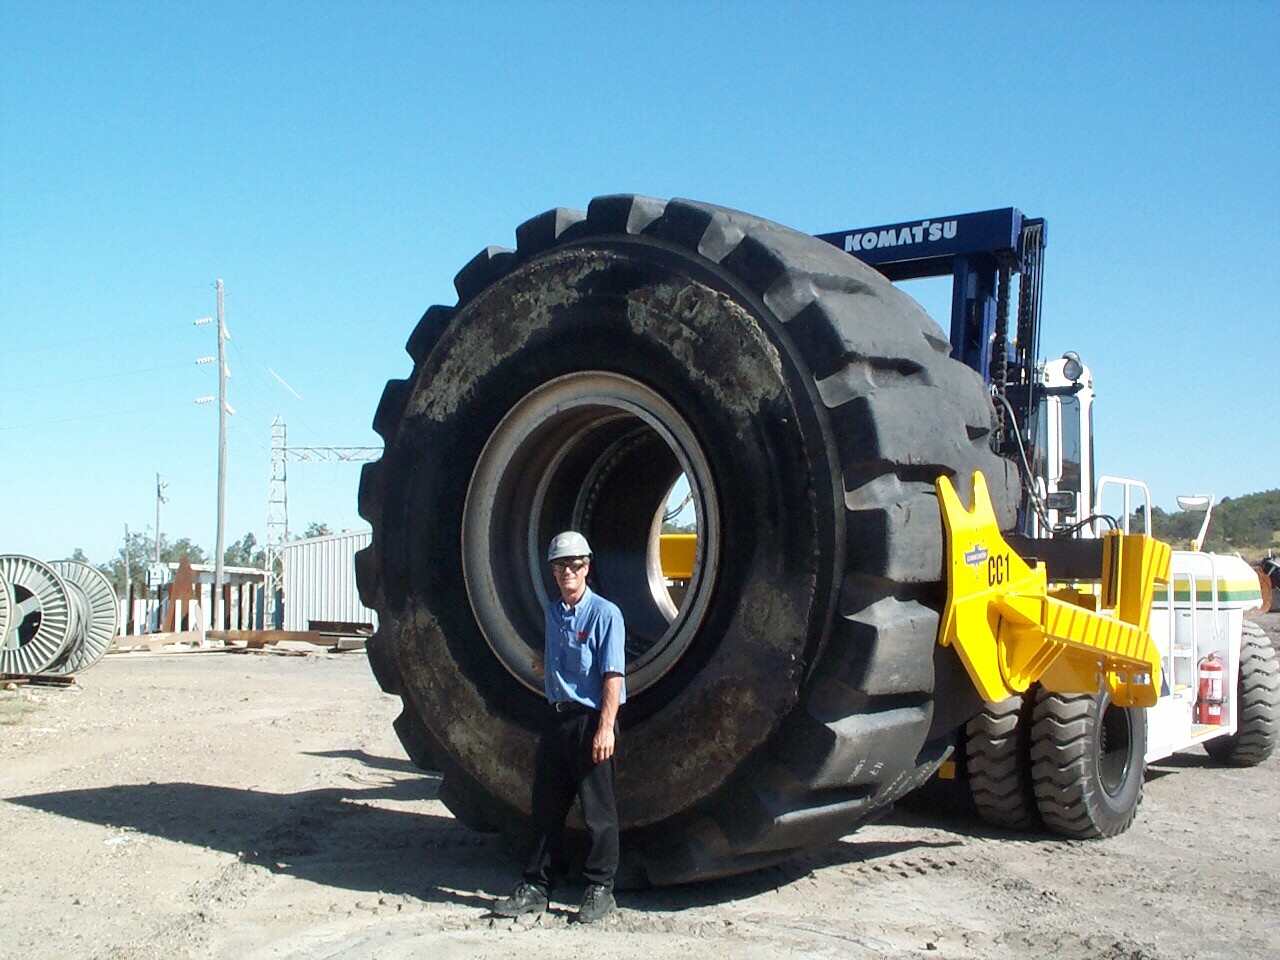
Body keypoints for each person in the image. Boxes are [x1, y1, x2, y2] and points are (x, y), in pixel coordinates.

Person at [493, 530, 626, 924]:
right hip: (556, 718)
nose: (568, 571)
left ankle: (600, 890)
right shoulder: (553, 613)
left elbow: (613, 674)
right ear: (552, 571)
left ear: (587, 567)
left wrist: (605, 728)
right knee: (546, 808)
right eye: (560, 565)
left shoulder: (606, 614)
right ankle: (536, 886)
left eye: (575, 565)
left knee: (598, 812)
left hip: (590, 720)